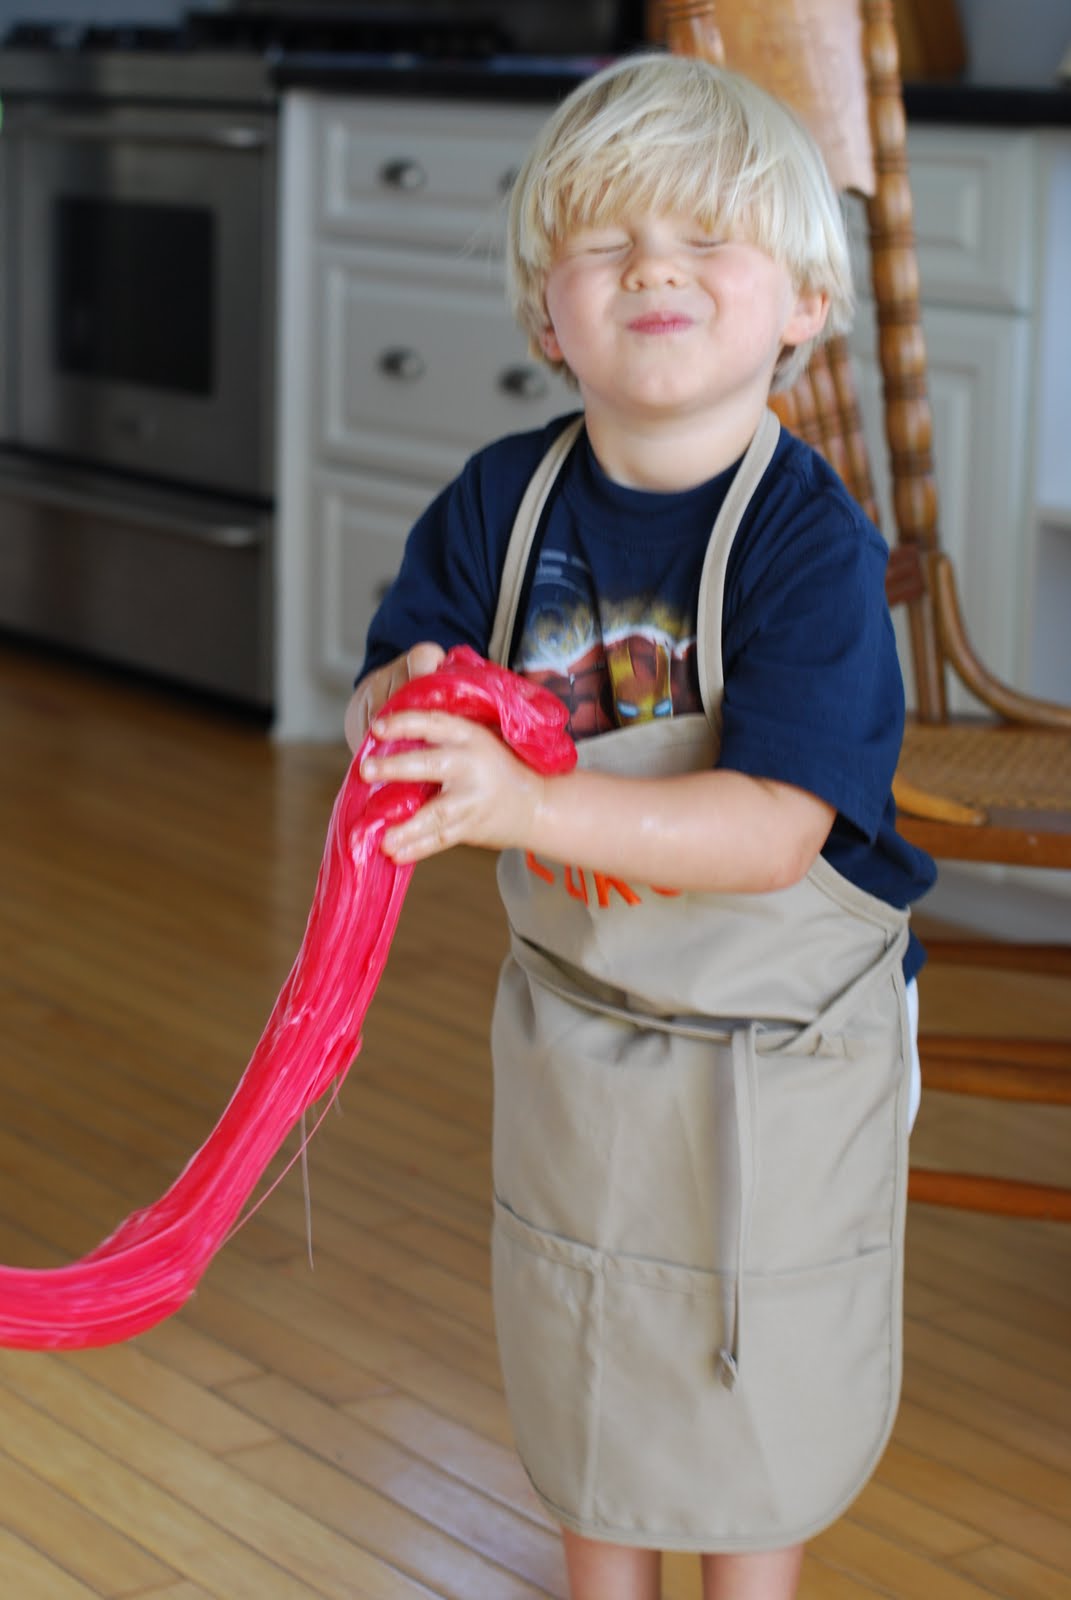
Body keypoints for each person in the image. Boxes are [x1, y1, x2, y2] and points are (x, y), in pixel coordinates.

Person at [345, 51, 935, 1600]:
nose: (654, 268)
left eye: (704, 241)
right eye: (606, 245)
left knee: (758, 1354)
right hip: (584, 1022)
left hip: (779, 1047)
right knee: (585, 1323)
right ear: (553, 319)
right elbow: (383, 693)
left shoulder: (810, 547)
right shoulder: (497, 510)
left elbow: (769, 834)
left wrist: (532, 800)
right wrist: (392, 708)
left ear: (802, 305)